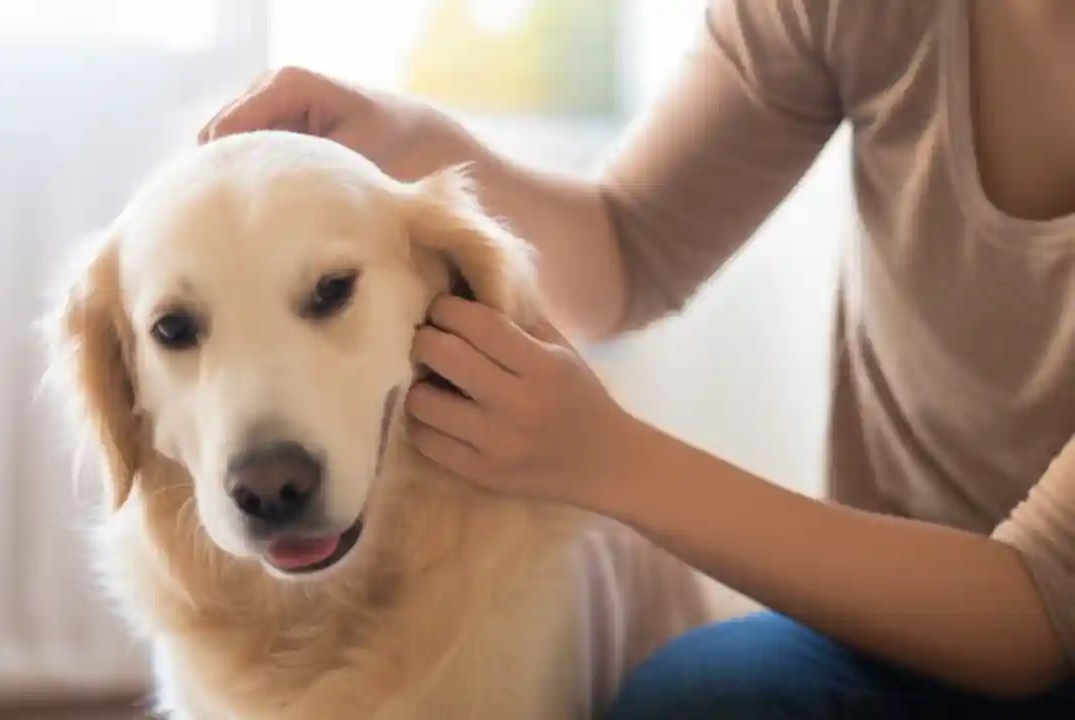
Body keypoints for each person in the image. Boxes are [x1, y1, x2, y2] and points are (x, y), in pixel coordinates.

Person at [198, 0, 1075, 716]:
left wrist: (608, 461)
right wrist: (413, 141)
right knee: (697, 701)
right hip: (890, 635)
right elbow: (626, 254)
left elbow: (1035, 613)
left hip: (1029, 629)